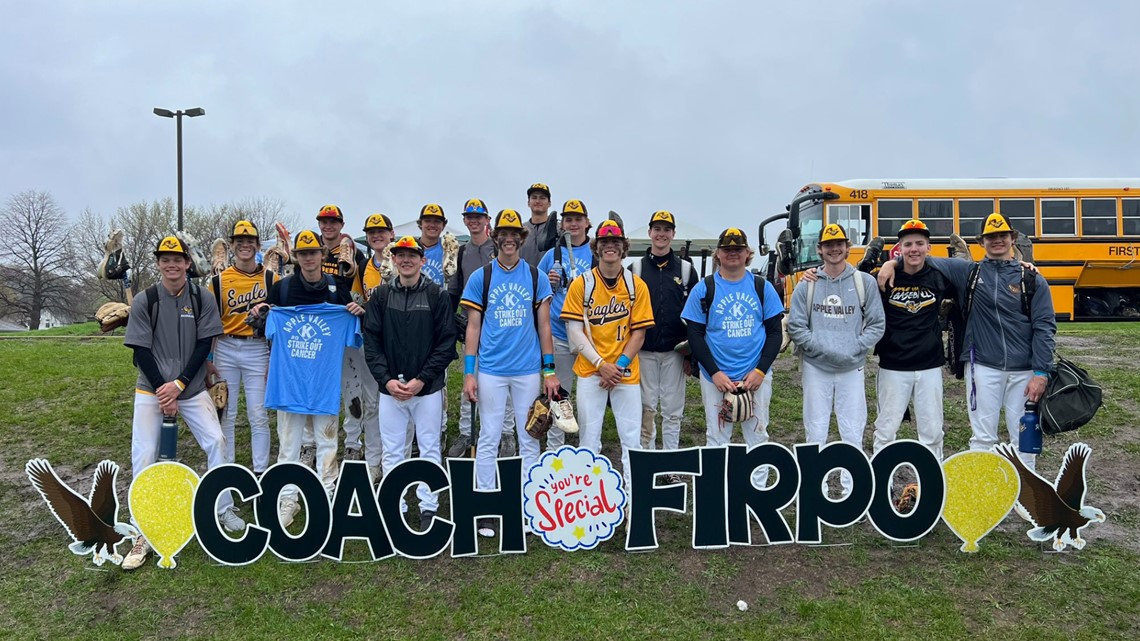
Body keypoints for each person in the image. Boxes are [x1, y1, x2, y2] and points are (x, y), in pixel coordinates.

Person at [878, 213, 1055, 469]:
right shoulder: (969, 272)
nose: (997, 241)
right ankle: (984, 501)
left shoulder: (1032, 279)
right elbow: (918, 259)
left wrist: (1041, 371)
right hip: (983, 365)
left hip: (1025, 370)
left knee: (1024, 437)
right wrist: (890, 263)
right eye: (990, 237)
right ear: (981, 242)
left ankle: (1026, 498)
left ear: (1013, 239)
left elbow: (1044, 326)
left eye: (1002, 236)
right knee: (983, 438)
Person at [122, 235, 245, 570]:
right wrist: (164, 388)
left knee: (216, 440)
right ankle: (143, 530)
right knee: (144, 452)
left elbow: (205, 343)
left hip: (189, 387)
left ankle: (223, 507)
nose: (171, 264)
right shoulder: (147, 299)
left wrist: (178, 385)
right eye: (165, 259)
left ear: (188, 263)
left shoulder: (201, 297)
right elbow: (140, 349)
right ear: (158, 263)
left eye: (177, 259)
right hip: (151, 387)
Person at [461, 209, 561, 536]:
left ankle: (531, 505)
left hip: (527, 369)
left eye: (513, 234)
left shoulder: (535, 277)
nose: (508, 239)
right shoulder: (482, 277)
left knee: (529, 435)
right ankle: (487, 505)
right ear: (496, 237)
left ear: (521, 238)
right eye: (502, 233)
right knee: (489, 435)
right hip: (490, 368)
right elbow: (473, 326)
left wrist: (549, 370)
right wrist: (469, 372)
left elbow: (545, 325)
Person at [264, 230, 366, 527]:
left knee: (327, 442)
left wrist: (355, 312)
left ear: (323, 255)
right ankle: (288, 499)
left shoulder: (337, 290)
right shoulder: (281, 291)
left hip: (323, 384)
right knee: (289, 446)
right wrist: (261, 312)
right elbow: (265, 323)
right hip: (290, 385)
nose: (309, 258)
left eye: (313, 253)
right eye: (303, 253)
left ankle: (328, 496)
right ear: (296, 257)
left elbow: (353, 328)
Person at [363, 236, 457, 530]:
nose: (405, 260)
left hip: (426, 390)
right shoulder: (379, 296)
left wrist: (421, 380)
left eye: (411, 256)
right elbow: (371, 343)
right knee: (394, 450)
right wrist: (388, 380)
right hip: (390, 391)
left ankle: (429, 507)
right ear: (392, 259)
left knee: (429, 447)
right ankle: (396, 505)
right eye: (400, 255)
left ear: (422, 260)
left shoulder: (436, 295)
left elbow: (446, 343)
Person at [786, 224, 885, 498]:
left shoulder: (862, 282)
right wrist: (820, 348)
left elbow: (877, 324)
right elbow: (796, 326)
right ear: (820, 249)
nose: (834, 249)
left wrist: (855, 347)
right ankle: (812, 492)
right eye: (828, 244)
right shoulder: (807, 284)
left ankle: (852, 491)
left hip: (851, 368)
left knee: (852, 431)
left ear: (848, 245)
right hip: (816, 368)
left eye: (839, 243)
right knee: (815, 430)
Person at [681, 228, 783, 487]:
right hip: (716, 376)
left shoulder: (762, 287)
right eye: (727, 249)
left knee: (758, 435)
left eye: (738, 249)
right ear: (718, 254)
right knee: (716, 436)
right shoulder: (705, 289)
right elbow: (695, 335)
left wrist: (760, 371)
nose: (733, 254)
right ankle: (717, 491)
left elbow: (774, 334)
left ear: (748, 254)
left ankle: (758, 491)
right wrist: (714, 372)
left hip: (754, 376)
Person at [561, 220, 654, 488]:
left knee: (631, 439)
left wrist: (619, 365)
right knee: (589, 440)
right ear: (596, 248)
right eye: (604, 243)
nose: (610, 247)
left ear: (623, 248)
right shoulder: (583, 284)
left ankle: (633, 498)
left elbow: (639, 333)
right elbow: (575, 332)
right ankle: (591, 502)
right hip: (592, 371)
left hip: (625, 373)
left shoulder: (636, 285)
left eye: (615, 243)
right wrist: (602, 364)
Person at [870, 219, 954, 461]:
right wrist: (889, 263)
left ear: (928, 247)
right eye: (908, 244)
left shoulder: (939, 277)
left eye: (920, 243)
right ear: (900, 248)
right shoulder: (884, 277)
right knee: (886, 429)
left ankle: (932, 484)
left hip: (929, 365)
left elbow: (970, 273)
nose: (914, 249)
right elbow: (857, 277)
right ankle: (881, 483)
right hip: (893, 365)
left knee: (932, 430)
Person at [206, 220, 278, 478]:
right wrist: (208, 358)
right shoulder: (218, 281)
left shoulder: (272, 278)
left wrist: (274, 359)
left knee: (258, 414)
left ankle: (260, 473)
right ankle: (229, 472)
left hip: (258, 348)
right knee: (226, 412)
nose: (245, 246)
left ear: (258, 245)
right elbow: (209, 323)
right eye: (239, 242)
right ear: (232, 246)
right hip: (225, 346)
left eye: (250, 242)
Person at [448, 198, 515, 458]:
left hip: (500, 326)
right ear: (465, 220)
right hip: (471, 326)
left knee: (505, 382)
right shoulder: (462, 251)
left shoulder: (496, 247)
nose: (474, 220)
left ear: (487, 219)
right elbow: (455, 290)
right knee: (470, 381)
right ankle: (467, 433)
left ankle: (506, 433)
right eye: (469, 216)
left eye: (479, 216)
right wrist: (453, 320)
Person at [313, 204, 374, 467]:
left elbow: (360, 289)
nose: (328, 226)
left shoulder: (354, 253)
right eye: (324, 222)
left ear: (341, 224)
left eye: (333, 222)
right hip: (320, 327)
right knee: (319, 386)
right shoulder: (312, 249)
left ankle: (352, 443)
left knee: (353, 384)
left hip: (346, 323)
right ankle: (312, 444)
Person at [631, 211, 697, 453]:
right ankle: (647, 458)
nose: (661, 234)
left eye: (666, 229)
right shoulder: (635, 268)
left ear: (673, 234)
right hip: (644, 350)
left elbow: (695, 315)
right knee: (647, 407)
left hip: (675, 351)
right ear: (649, 232)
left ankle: (671, 460)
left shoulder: (687, 270)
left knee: (673, 409)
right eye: (657, 229)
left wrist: (691, 354)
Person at [536, 199, 595, 451]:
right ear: (561, 224)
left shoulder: (596, 253)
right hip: (559, 333)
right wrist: (549, 282)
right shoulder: (552, 255)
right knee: (559, 395)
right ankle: (555, 451)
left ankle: (589, 449)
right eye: (568, 219)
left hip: (590, 335)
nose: (573, 224)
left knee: (589, 397)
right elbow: (537, 291)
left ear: (587, 222)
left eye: (577, 219)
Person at [519, 182, 560, 267]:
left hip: (550, 278)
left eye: (542, 198)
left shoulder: (559, 229)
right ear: (528, 202)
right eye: (534, 198)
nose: (538, 201)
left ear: (549, 203)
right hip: (524, 278)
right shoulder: (520, 230)